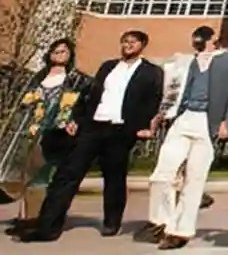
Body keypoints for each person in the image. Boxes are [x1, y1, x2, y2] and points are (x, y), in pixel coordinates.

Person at [22, 30, 164, 242]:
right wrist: (76, 119)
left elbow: (152, 101)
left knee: (114, 178)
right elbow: (90, 95)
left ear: (142, 45)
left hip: (120, 130)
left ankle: (111, 221)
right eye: (124, 41)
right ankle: (47, 227)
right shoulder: (108, 67)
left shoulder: (151, 72)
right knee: (67, 175)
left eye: (132, 42)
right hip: (93, 126)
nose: (127, 45)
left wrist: (143, 127)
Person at [137, 26, 228, 249]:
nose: (197, 42)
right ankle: (160, 221)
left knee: (194, 179)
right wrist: (160, 115)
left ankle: (180, 231)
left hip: (208, 122)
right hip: (184, 118)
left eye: (201, 38)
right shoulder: (187, 62)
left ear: (214, 39)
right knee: (162, 174)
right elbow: (172, 91)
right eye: (195, 38)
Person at [3, 39, 89, 235]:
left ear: (70, 55)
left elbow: (84, 105)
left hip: (56, 133)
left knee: (43, 174)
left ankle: (37, 218)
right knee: (27, 175)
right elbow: (23, 103)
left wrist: (76, 121)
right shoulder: (37, 78)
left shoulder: (77, 80)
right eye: (55, 50)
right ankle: (25, 216)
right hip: (31, 130)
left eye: (64, 51)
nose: (59, 54)